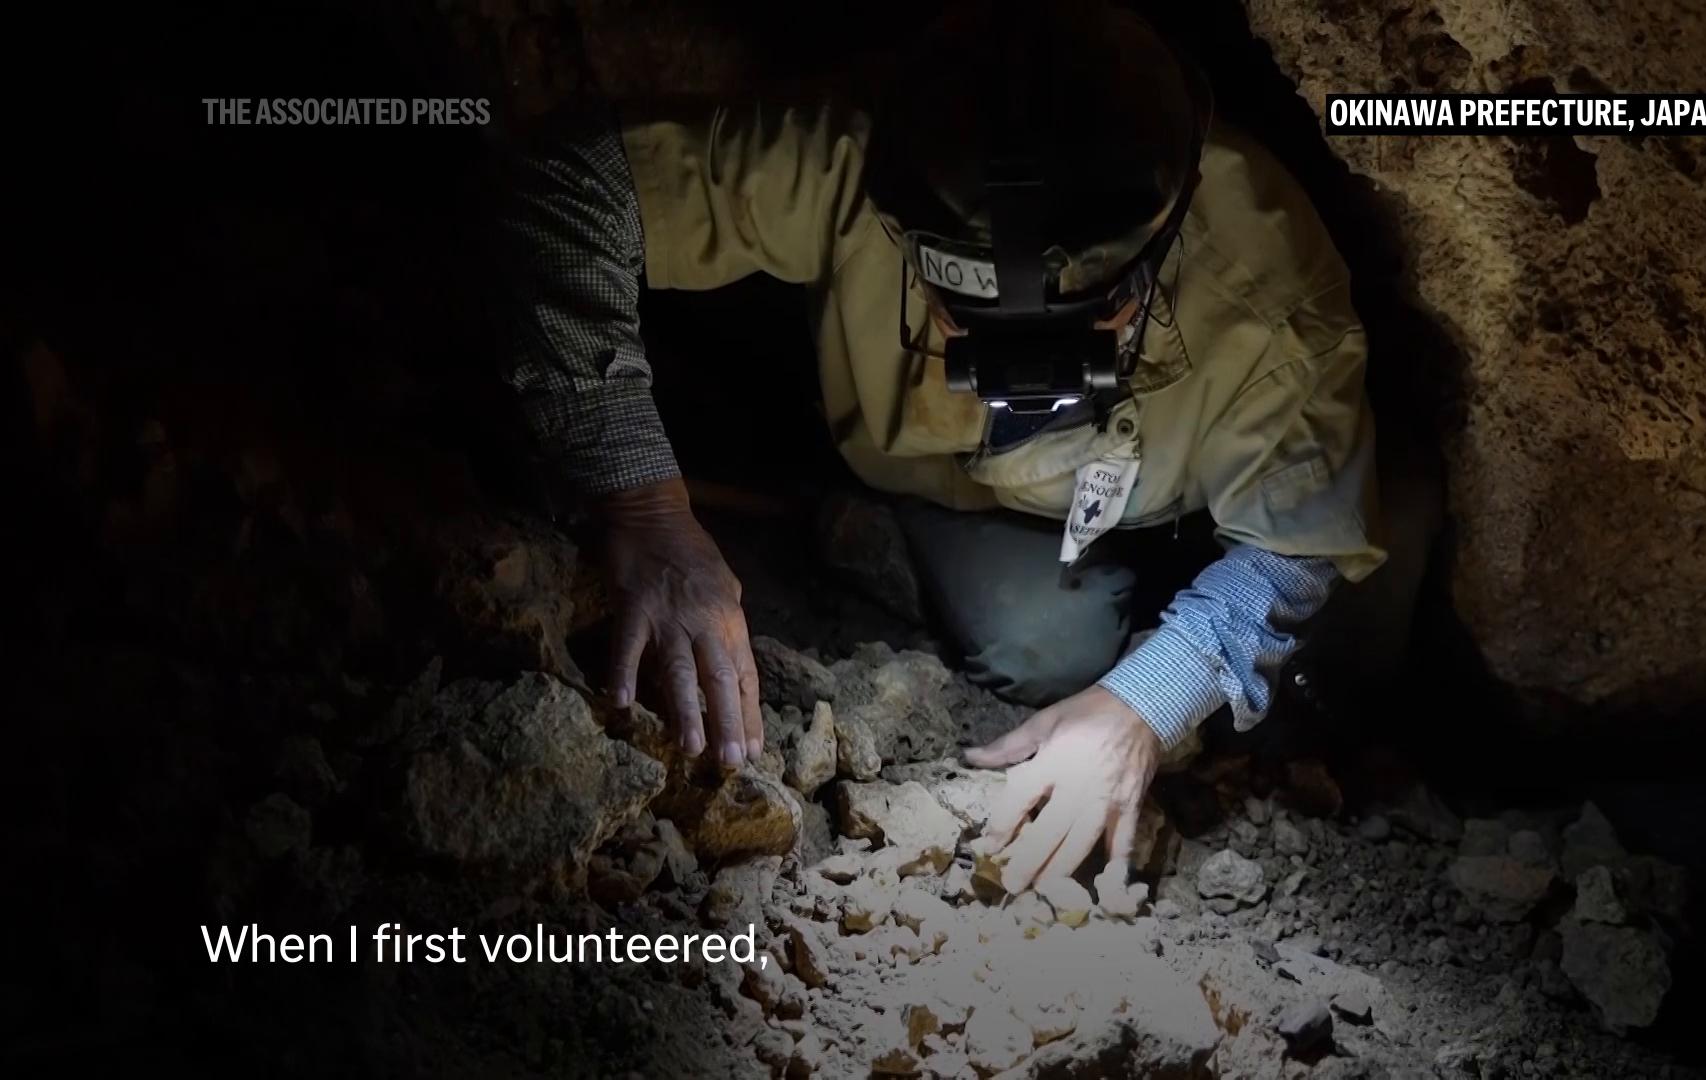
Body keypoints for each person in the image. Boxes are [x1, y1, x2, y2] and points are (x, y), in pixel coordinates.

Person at [497, 1, 1430, 899]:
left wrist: (1146, 703)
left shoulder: (1271, 285)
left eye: (1087, 319)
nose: (1015, 366)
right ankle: (870, 535)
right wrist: (644, 504)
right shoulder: (853, 155)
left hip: (1195, 485)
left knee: (1355, 610)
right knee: (1047, 651)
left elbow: (1297, 545)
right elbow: (570, 183)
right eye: (960, 313)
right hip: (965, 496)